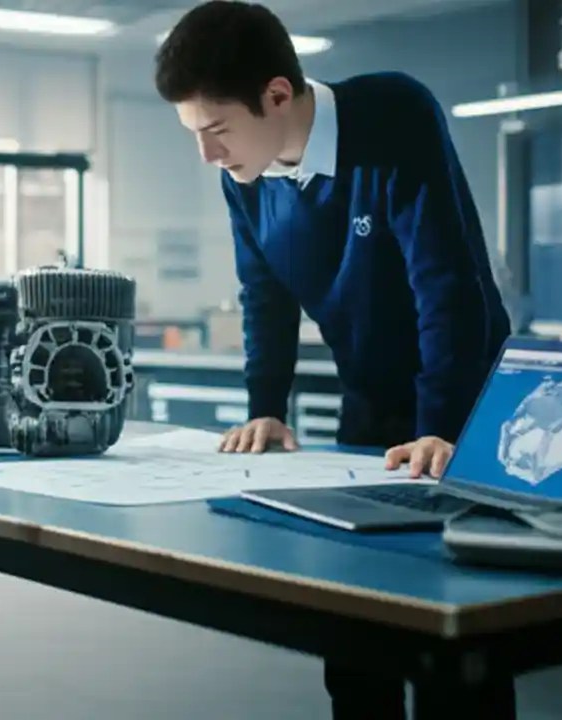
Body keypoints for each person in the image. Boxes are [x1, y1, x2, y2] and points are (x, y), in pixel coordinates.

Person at [154, 2, 513, 718]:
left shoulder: (394, 112)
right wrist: (267, 407)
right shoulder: (244, 179)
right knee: (356, 634)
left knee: (459, 633)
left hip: (463, 396)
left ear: (278, 95)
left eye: (217, 131)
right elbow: (262, 295)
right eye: (195, 135)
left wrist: (441, 423)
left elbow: (444, 283)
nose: (209, 156)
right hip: (370, 399)